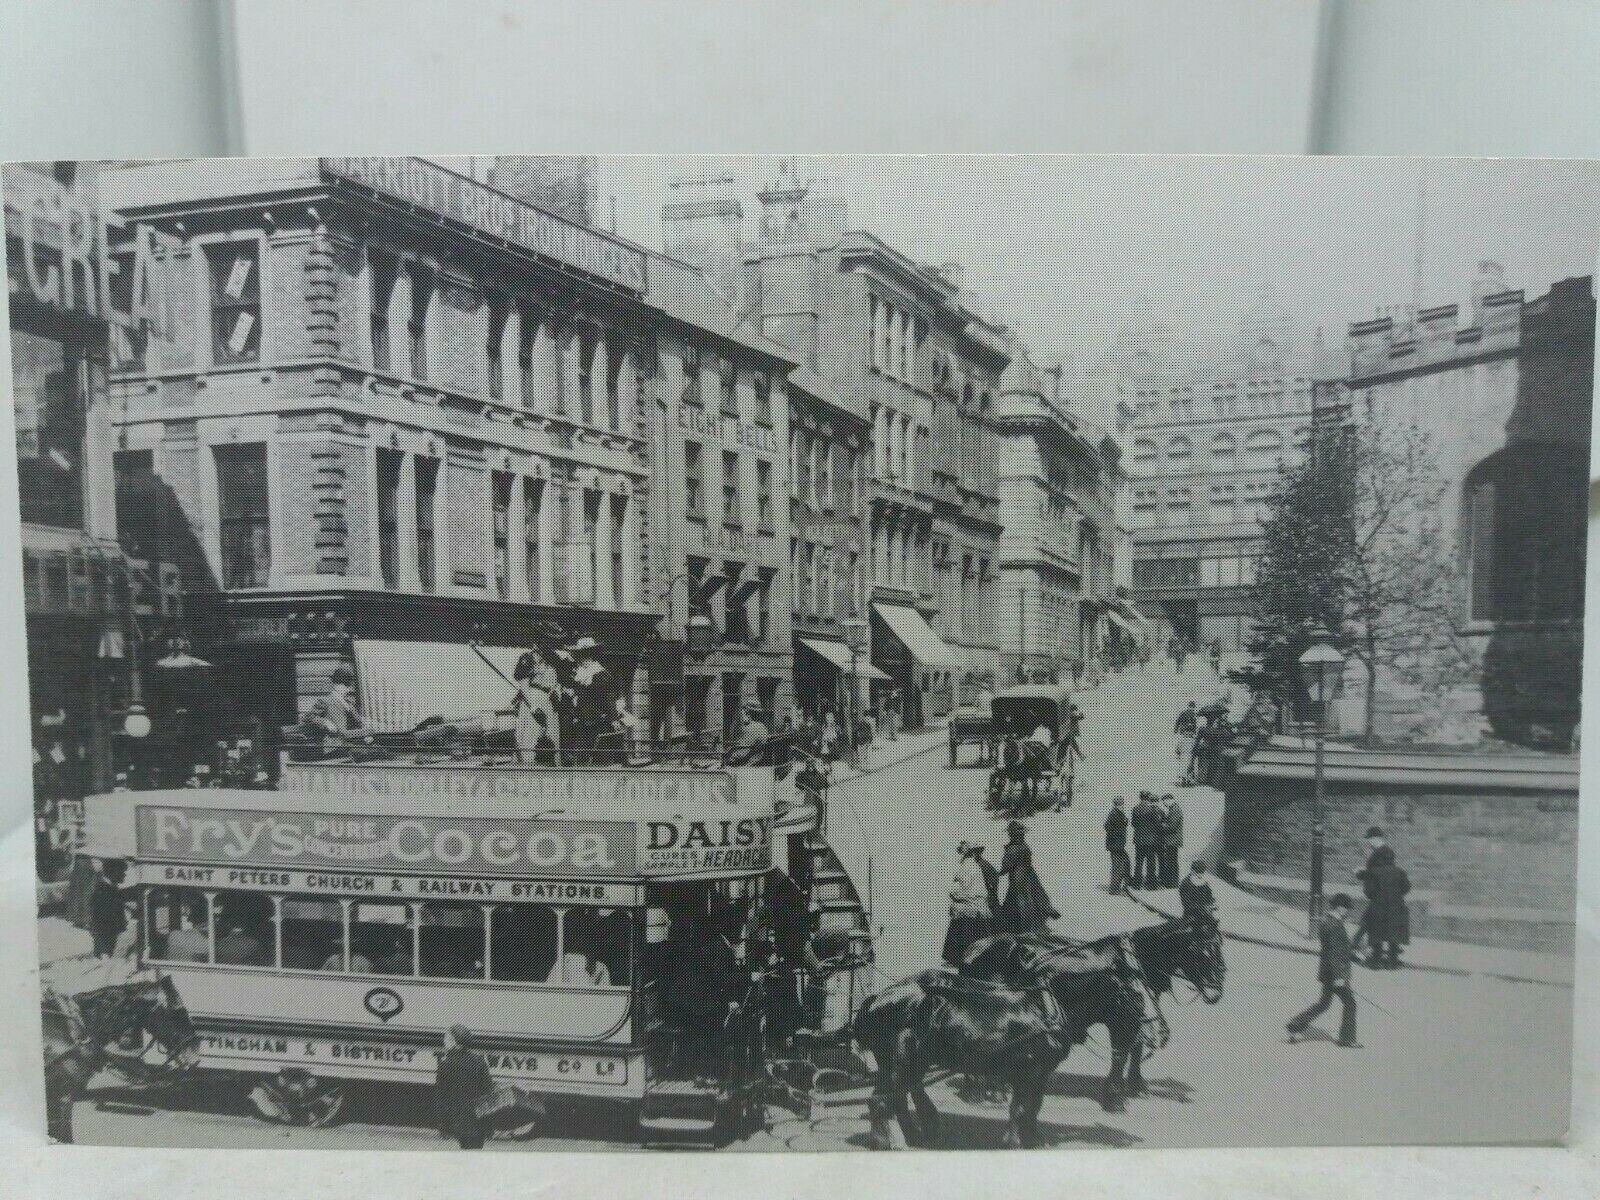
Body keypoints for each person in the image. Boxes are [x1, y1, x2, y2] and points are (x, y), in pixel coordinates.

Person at [1287, 893, 1361, 1048]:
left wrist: (1353, 955)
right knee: (1350, 1003)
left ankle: (1294, 1025)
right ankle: (1347, 1039)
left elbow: (1337, 949)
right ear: (1340, 907)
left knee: (1323, 1004)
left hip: (1327, 972)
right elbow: (1334, 952)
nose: (1347, 912)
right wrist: (1339, 976)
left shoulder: (1328, 922)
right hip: (1335, 973)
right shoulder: (1334, 925)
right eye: (1346, 908)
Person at [435, 1024, 494, 1149]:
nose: (444, 1041)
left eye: (447, 1038)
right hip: (478, 1119)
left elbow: (442, 1097)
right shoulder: (478, 1061)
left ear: (454, 1042)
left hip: (458, 1121)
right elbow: (488, 1092)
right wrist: (489, 1125)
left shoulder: (445, 1065)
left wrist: (443, 1125)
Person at [998, 821, 1058, 934]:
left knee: (1020, 900)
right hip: (1028, 874)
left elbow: (1006, 866)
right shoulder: (1025, 846)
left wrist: (999, 873)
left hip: (1018, 877)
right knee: (1032, 896)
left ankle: (1023, 928)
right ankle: (1034, 923)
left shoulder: (1012, 849)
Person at [944, 841, 995, 966]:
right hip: (973, 902)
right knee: (969, 928)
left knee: (966, 928)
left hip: (969, 902)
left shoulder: (969, 866)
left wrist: (956, 894)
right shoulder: (972, 865)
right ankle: (968, 957)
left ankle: (962, 958)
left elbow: (964, 885)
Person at [1361, 845, 1411, 969]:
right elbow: (1407, 887)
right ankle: (1392, 962)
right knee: (1393, 935)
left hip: (1378, 907)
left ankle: (1376, 961)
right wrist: (1396, 894)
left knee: (1376, 934)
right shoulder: (1400, 872)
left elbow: (1368, 892)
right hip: (1396, 907)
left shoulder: (1373, 872)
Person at [88, 860, 130, 959]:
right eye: (122, 871)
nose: (124, 875)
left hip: (111, 943)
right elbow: (100, 923)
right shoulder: (103, 891)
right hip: (106, 948)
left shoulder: (110, 889)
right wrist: (104, 952)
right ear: (113, 871)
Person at [1131, 791, 1163, 889]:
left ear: (1140, 798)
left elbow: (1133, 824)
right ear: (1148, 798)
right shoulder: (1152, 810)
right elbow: (1157, 824)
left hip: (1139, 840)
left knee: (1139, 862)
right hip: (1150, 840)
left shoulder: (1135, 809)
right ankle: (1151, 884)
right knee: (1151, 862)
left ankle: (1137, 884)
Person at [1104, 797, 1130, 893]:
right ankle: (1114, 888)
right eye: (1120, 805)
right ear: (1116, 805)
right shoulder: (1113, 814)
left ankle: (1122, 884)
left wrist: (1124, 822)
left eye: (1122, 804)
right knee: (1117, 866)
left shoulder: (1118, 813)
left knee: (1125, 862)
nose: (1122, 806)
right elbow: (1108, 827)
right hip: (1116, 845)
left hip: (1118, 844)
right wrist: (1120, 826)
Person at [1160, 794, 1184, 888]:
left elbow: (1172, 827)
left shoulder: (1175, 810)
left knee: (1172, 862)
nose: (1164, 804)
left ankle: (1172, 883)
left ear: (1169, 800)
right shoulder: (1173, 809)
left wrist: (1162, 825)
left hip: (1172, 841)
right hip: (1172, 840)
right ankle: (1172, 883)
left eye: (1164, 802)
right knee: (1171, 861)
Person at [1174, 702, 1198, 781]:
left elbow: (1194, 724)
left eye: (1193, 707)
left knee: (1185, 745)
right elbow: (1178, 721)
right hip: (1186, 732)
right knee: (1185, 745)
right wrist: (1176, 729)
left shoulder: (1191, 714)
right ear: (1190, 707)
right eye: (1192, 707)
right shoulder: (1185, 713)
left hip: (1187, 732)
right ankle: (1188, 775)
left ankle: (1188, 775)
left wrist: (1176, 729)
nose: (1192, 708)